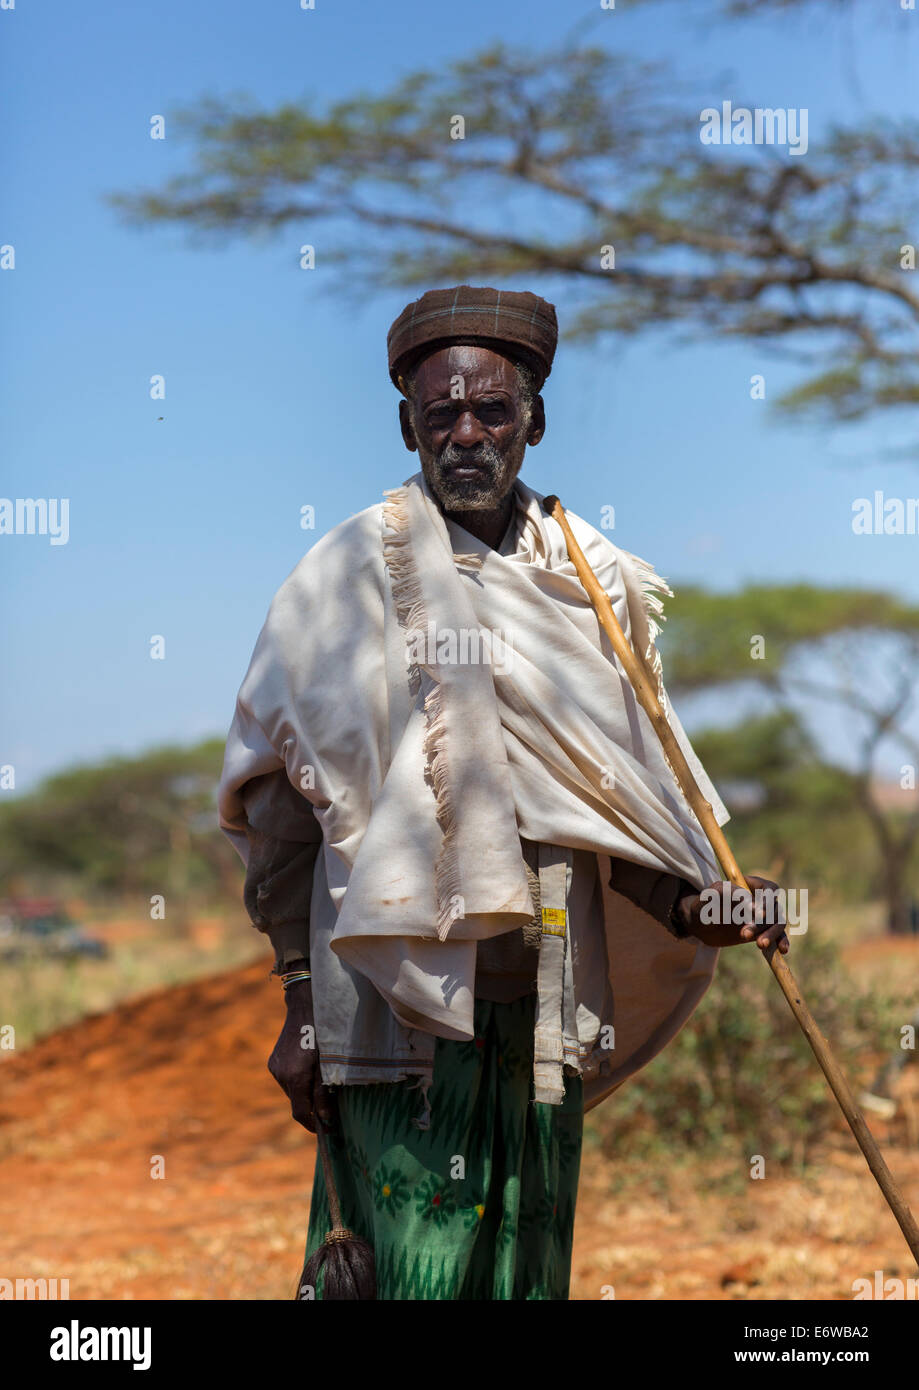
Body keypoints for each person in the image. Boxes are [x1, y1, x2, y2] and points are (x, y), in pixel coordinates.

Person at [217, 284, 789, 1300]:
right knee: (406, 1278)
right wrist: (299, 1000)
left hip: (540, 1018)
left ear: (535, 420)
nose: (466, 434)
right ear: (408, 424)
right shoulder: (343, 579)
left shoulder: (588, 580)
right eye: (441, 414)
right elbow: (282, 813)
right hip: (389, 1020)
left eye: (491, 411)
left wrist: (702, 906)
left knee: (528, 1278)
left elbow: (613, 804)